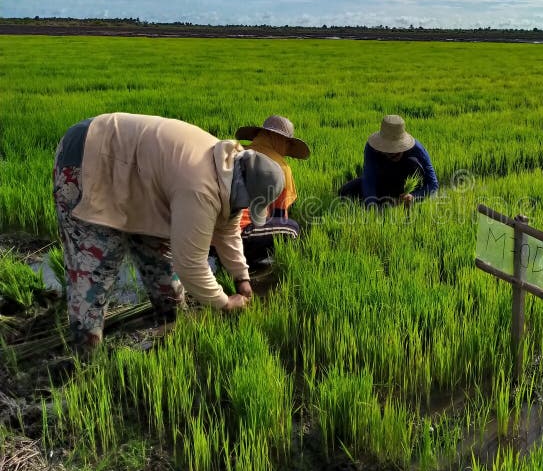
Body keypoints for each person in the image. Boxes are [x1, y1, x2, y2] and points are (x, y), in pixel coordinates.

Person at [53, 112, 285, 349]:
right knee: (96, 272)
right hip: (90, 156)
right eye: (248, 202)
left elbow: (228, 229)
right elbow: (191, 266)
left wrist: (242, 278)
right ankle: (87, 359)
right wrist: (225, 303)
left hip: (140, 184)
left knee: (163, 271)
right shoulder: (201, 188)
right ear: (242, 186)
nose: (244, 208)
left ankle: (171, 332)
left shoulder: (231, 167)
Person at [234, 115, 310, 268]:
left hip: (208, 230)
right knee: (292, 229)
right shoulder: (280, 166)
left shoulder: (236, 152)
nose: (287, 148)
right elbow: (280, 214)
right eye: (288, 143)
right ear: (278, 139)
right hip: (239, 234)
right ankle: (254, 260)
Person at [339, 114, 438, 206]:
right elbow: (369, 179)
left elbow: (433, 184)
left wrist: (414, 196)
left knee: (413, 162)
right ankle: (387, 199)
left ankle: (397, 199)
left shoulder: (417, 149)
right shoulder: (371, 148)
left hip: (406, 183)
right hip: (383, 179)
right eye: (388, 151)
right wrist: (372, 206)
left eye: (396, 151)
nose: (392, 154)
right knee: (345, 191)